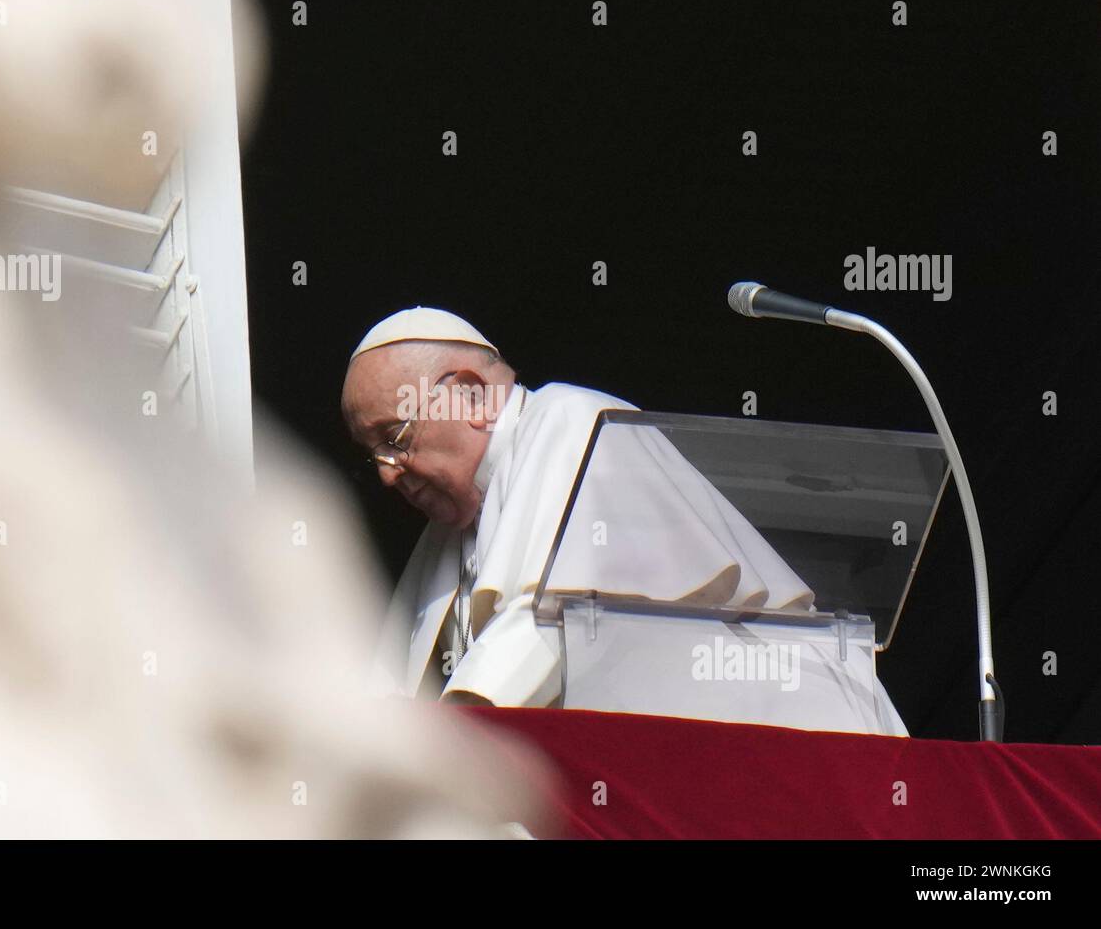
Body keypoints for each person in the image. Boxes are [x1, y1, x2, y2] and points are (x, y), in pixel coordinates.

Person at [343, 306, 909, 736]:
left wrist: (447, 742)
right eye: (373, 458)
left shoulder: (574, 423)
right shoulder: (448, 532)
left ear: (470, 397)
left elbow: (551, 619)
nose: (389, 474)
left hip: (795, 728)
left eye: (395, 439)